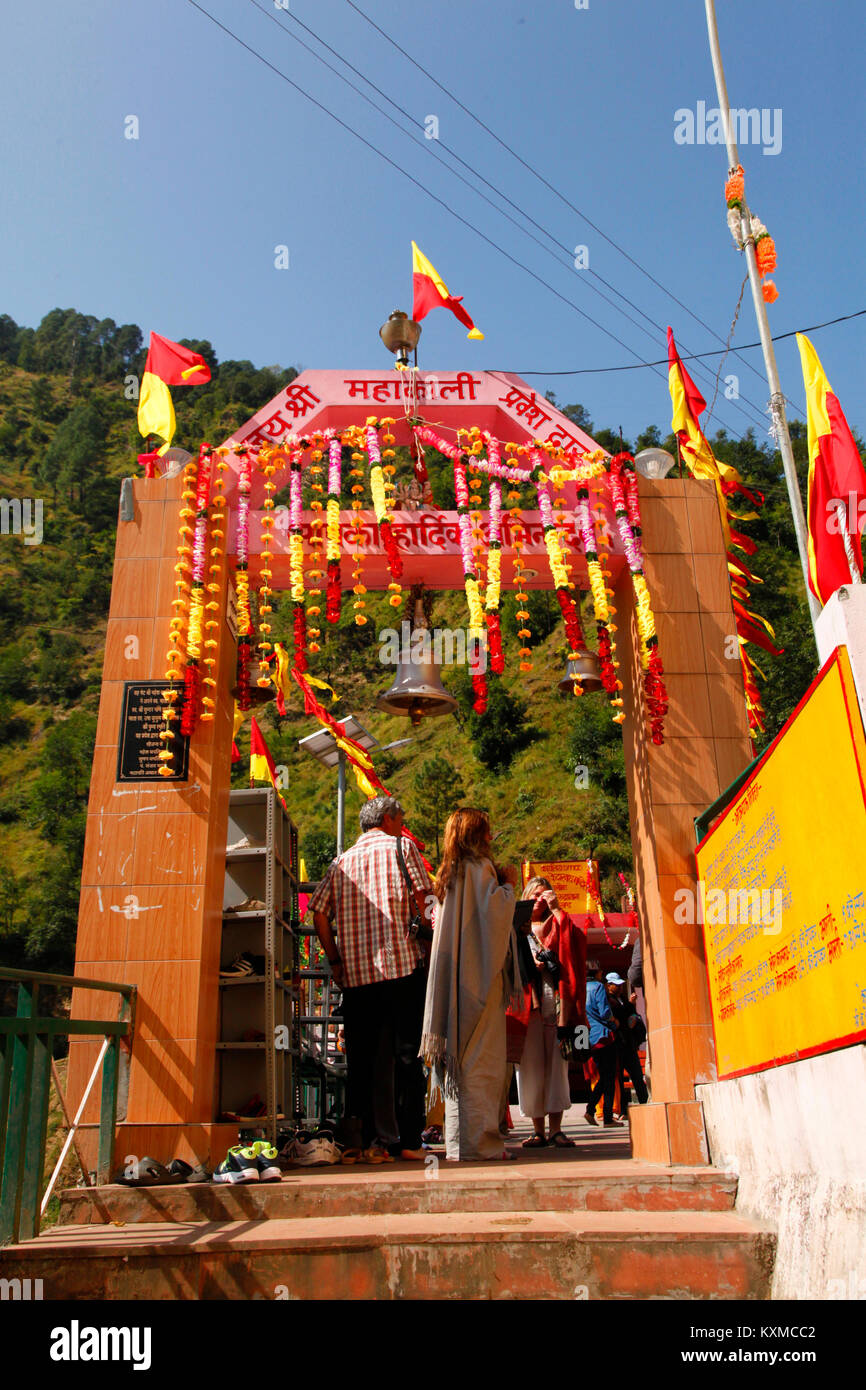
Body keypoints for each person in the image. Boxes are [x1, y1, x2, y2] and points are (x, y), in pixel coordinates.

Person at [309, 795, 432, 1164]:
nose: (402, 823)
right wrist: (427, 928)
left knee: (361, 1059)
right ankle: (407, 1141)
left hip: (357, 977)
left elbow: (318, 913)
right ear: (390, 819)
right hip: (403, 968)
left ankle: (358, 1143)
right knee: (407, 1056)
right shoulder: (401, 847)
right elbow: (424, 898)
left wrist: (335, 960)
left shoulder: (340, 861)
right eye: (401, 816)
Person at [420, 808, 520, 1162]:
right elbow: (495, 918)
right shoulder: (481, 870)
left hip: (456, 982)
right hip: (479, 981)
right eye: (487, 831)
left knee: (461, 1062)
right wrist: (508, 885)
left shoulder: (449, 874)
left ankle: (459, 1143)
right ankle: (479, 1145)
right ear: (478, 835)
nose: (492, 837)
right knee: (482, 1061)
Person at [513, 877, 587, 1149]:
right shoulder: (515, 927)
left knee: (557, 1065)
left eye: (544, 895)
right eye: (535, 894)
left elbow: (573, 943)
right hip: (527, 1004)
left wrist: (557, 909)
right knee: (530, 1067)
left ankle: (556, 1129)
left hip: (555, 1004)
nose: (539, 899)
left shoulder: (557, 923)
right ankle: (537, 1129)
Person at [583, 959, 624, 1128]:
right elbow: (605, 1011)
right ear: (596, 972)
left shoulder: (581, 989)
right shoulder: (598, 987)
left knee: (604, 1076)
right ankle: (603, 1114)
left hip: (590, 1036)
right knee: (608, 1076)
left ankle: (593, 1110)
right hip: (603, 1035)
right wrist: (614, 1021)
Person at [606, 971, 649, 1113]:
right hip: (617, 1042)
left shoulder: (623, 999)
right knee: (618, 1077)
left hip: (629, 1043)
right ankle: (622, 1108)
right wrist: (630, 1005)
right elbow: (618, 1014)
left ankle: (644, 1101)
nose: (619, 988)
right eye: (616, 985)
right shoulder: (608, 1000)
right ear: (609, 985)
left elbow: (628, 1014)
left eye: (620, 985)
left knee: (636, 1073)